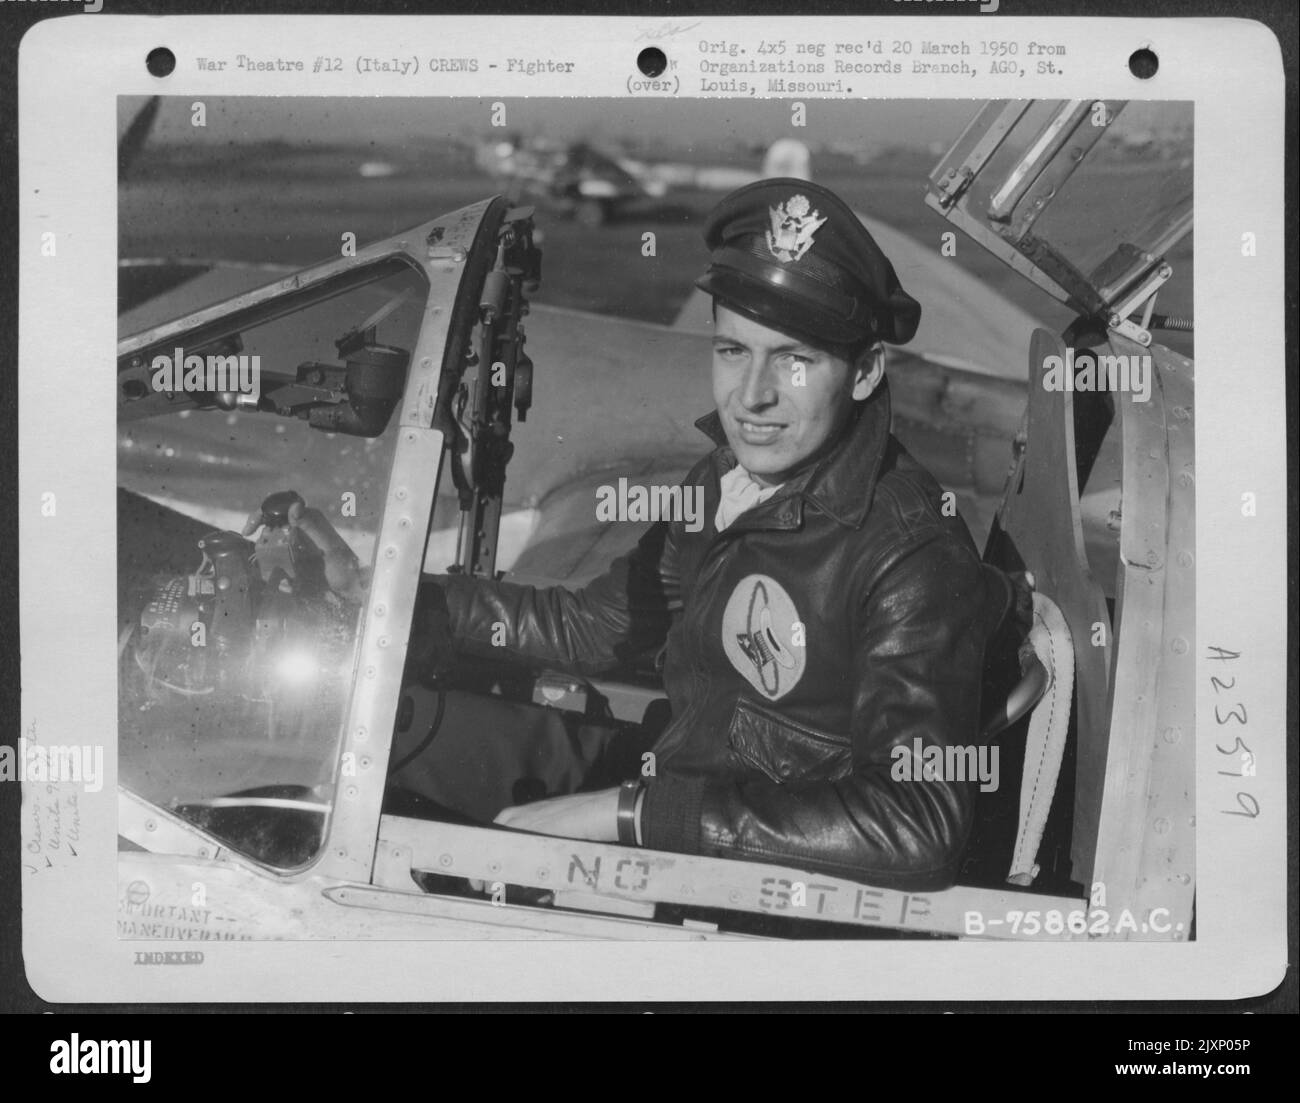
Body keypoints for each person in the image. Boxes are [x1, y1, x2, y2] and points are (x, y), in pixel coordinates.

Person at [409, 179, 1015, 891]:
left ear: (867, 371)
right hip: (675, 789)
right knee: (403, 742)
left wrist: (631, 814)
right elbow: (600, 627)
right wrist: (411, 603)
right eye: (733, 350)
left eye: (794, 360)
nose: (751, 395)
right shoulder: (728, 478)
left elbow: (915, 826)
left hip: (738, 891)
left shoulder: (908, 553)